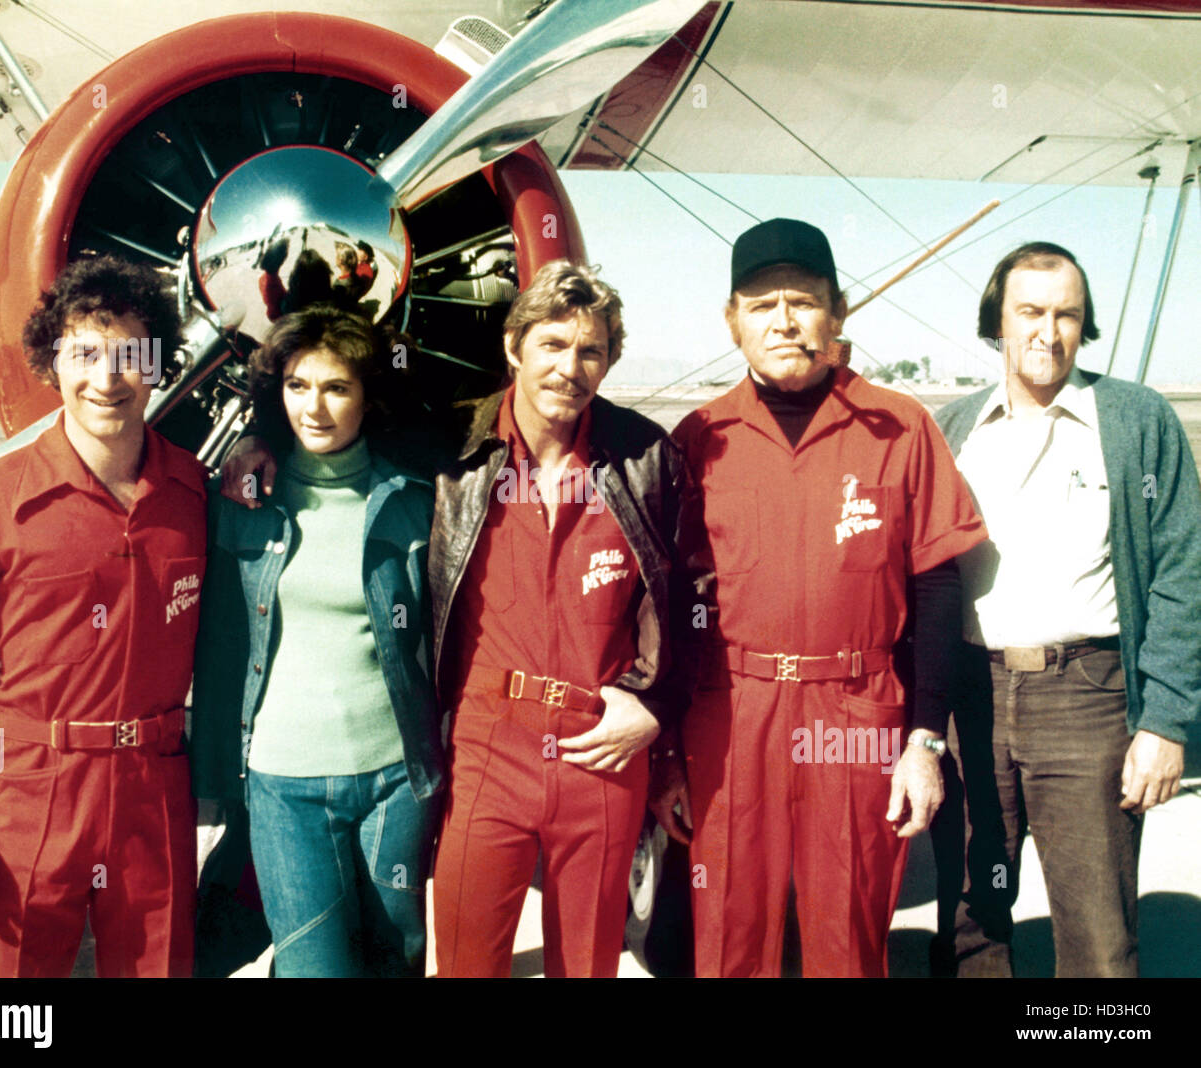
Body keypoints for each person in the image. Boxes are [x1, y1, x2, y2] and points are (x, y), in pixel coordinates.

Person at [652, 218, 988, 977]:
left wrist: (925, 739)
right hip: (733, 714)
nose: (784, 320)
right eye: (762, 304)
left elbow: (937, 582)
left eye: (803, 302)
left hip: (856, 708)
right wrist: (669, 752)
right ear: (732, 320)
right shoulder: (698, 438)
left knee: (850, 934)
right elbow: (666, 610)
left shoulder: (899, 428)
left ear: (838, 313)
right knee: (731, 935)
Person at [0, 256, 204, 977]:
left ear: (157, 364)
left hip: (153, 790)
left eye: (130, 354)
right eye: (85, 354)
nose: (107, 379)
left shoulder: (196, 491)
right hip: (32, 790)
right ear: (51, 363)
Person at [930, 241, 1201, 977]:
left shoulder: (1136, 422)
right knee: (970, 922)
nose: (1047, 331)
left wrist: (1165, 723)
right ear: (997, 323)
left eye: (1067, 315)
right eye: (1030, 312)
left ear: (1084, 326)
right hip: (972, 704)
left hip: (1088, 698)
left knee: (1099, 940)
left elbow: (1183, 570)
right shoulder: (952, 430)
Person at [426, 260, 693, 977]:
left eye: (590, 351)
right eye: (552, 344)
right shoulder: (450, 449)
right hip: (488, 743)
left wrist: (655, 705)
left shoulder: (644, 457)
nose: (570, 368)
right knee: (466, 961)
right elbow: (330, 424)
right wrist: (259, 435)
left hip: (601, 750)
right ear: (514, 347)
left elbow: (695, 597)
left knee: (586, 965)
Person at [190, 306, 445, 977]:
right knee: (314, 967)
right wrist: (214, 774)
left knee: (396, 960)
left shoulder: (416, 500)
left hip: (398, 780)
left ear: (366, 396)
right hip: (285, 782)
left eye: (337, 388)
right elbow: (217, 647)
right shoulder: (242, 501)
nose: (316, 407)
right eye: (299, 386)